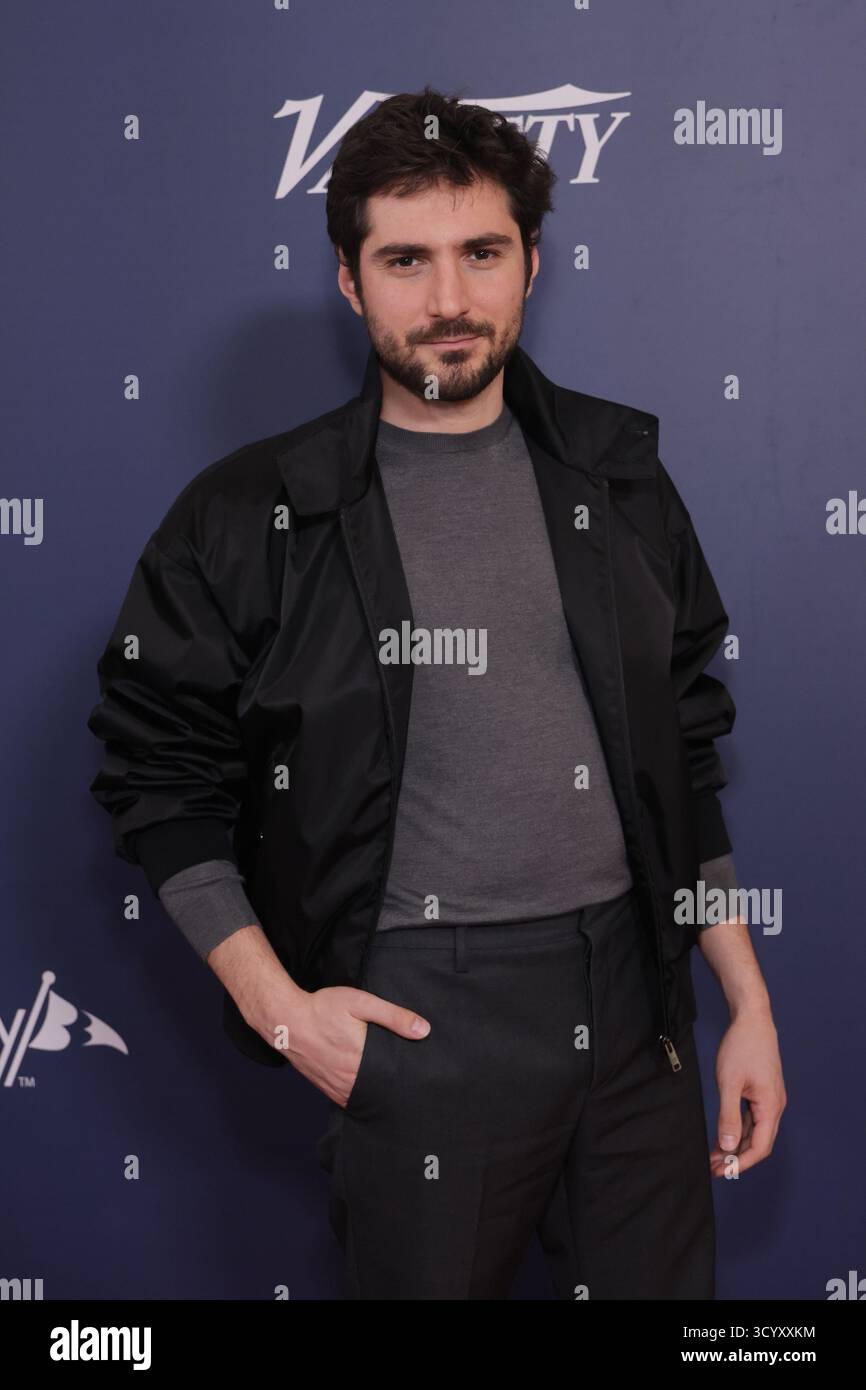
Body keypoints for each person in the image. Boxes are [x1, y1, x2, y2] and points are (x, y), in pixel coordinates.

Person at [87, 87, 786, 1300]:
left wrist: (743, 996)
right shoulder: (252, 512)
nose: (449, 300)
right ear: (351, 284)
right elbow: (159, 776)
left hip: (635, 1009)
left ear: (530, 266)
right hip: (418, 1015)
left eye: (481, 253)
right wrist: (283, 1011)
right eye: (405, 259)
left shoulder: (616, 475)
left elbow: (681, 740)